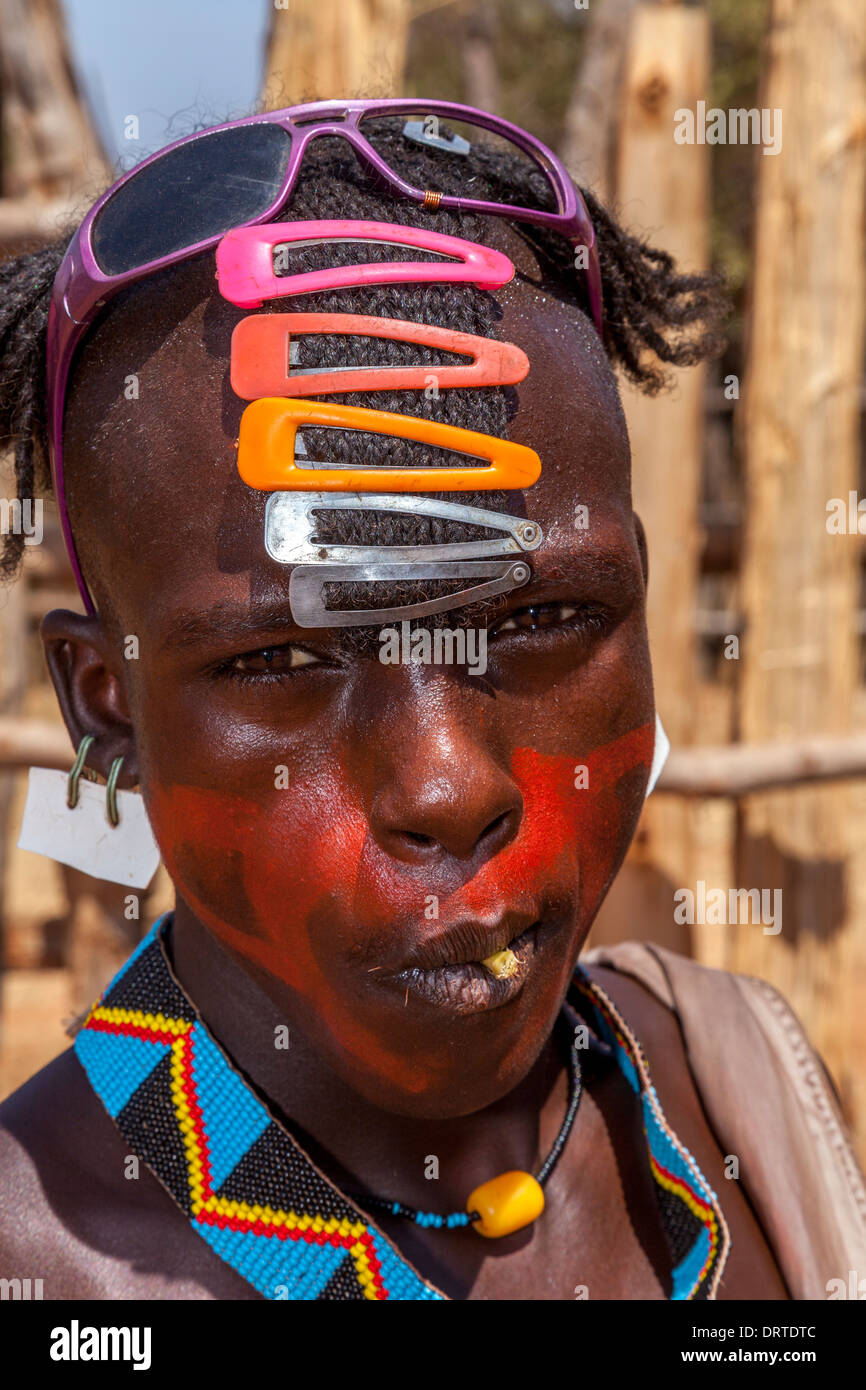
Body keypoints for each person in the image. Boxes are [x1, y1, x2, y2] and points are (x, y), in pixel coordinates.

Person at [0, 109, 863, 1302]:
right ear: (107, 707)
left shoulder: (739, 1087)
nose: (448, 786)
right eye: (281, 659)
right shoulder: (41, 1261)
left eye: (536, 619)